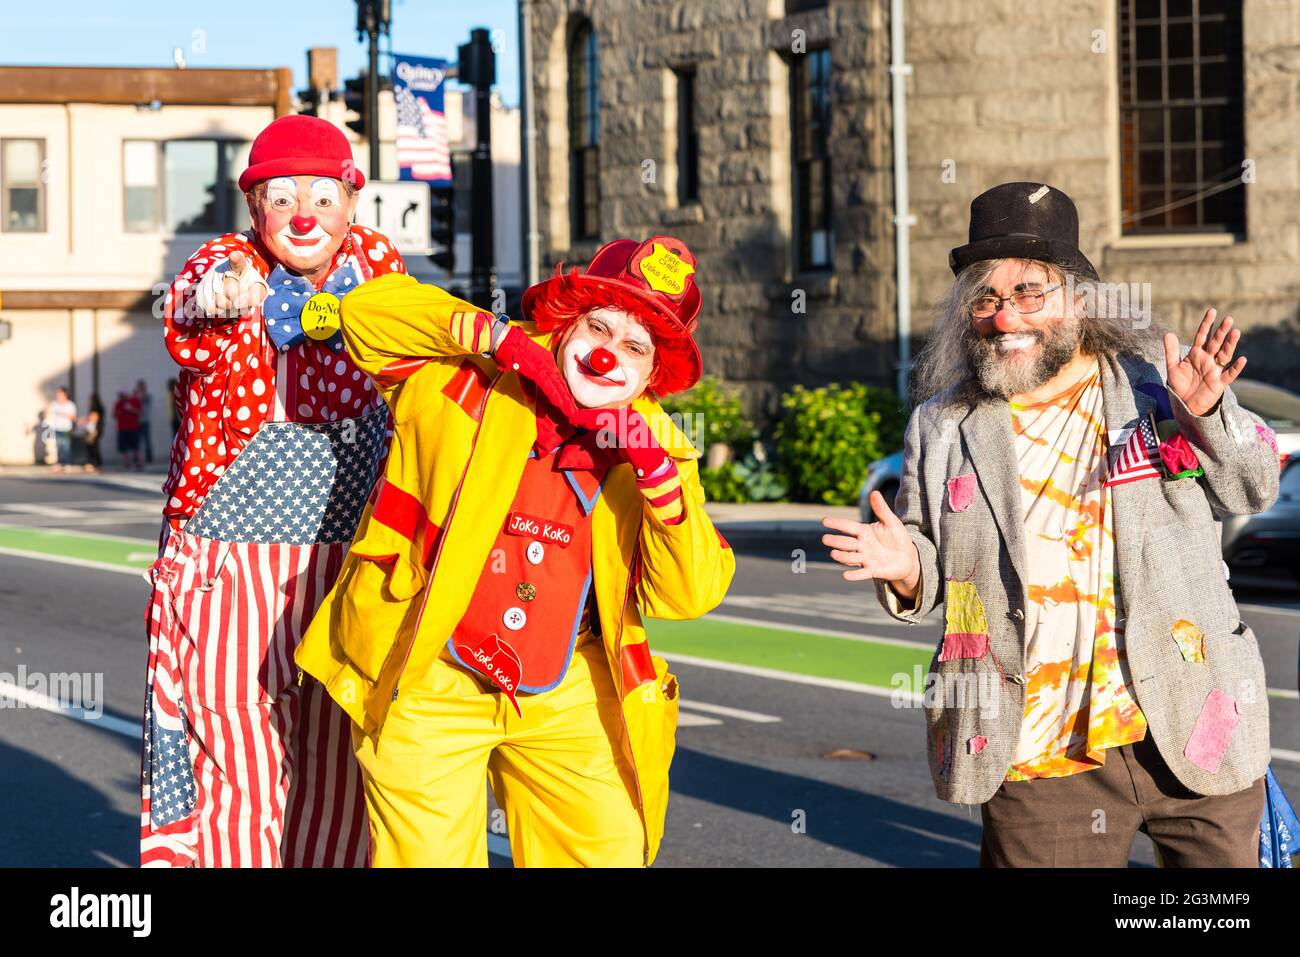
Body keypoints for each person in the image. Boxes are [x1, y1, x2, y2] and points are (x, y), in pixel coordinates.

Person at [823, 182, 1280, 867]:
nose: (1007, 317)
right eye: (986, 297)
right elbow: (944, 574)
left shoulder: (1156, 381)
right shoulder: (943, 424)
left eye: (1030, 291)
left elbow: (1253, 484)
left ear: (1077, 297)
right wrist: (910, 565)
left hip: (1193, 723)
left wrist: (1207, 418)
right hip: (1037, 753)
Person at [295, 234, 735, 867]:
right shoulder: (464, 379)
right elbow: (365, 314)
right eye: (598, 327)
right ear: (564, 322)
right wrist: (499, 339)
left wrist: (657, 477)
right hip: (428, 669)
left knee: (607, 852)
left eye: (634, 348)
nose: (607, 357)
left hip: (569, 689)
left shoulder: (657, 447)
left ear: (651, 375)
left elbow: (688, 594)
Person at [140, 114, 406, 868]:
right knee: (236, 755)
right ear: (253, 206)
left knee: (341, 762)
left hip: (351, 563)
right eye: (280, 196)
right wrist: (222, 295)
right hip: (229, 570)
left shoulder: (379, 267)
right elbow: (188, 299)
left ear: (352, 203)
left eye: (323, 197)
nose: (302, 214)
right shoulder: (230, 261)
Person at [44, 386, 76, 473]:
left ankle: (67, 464)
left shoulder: (70, 404)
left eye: (59, 393)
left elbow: (73, 417)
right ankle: (60, 464)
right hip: (57, 428)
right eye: (57, 393)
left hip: (66, 428)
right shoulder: (54, 404)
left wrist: (62, 413)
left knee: (66, 447)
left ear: (65, 394)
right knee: (58, 447)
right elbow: (48, 414)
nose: (57, 394)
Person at [113, 389, 143, 470]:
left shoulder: (134, 401)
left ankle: (139, 462)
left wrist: (131, 409)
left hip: (133, 428)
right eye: (120, 396)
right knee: (124, 447)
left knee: (136, 446)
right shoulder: (118, 403)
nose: (121, 397)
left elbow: (140, 412)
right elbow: (114, 415)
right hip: (122, 428)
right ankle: (127, 462)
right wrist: (120, 411)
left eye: (123, 396)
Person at [81, 394, 104, 472]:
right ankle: (93, 463)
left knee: (93, 447)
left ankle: (95, 463)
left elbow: (94, 418)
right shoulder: (96, 408)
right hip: (93, 430)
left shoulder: (96, 409)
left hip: (93, 430)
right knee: (91, 447)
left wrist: (85, 420)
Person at [135, 379, 153, 464]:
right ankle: (138, 458)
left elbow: (143, 399)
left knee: (147, 440)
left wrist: (139, 394)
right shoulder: (136, 395)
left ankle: (149, 458)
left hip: (145, 421)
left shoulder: (147, 396)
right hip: (136, 422)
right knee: (137, 441)